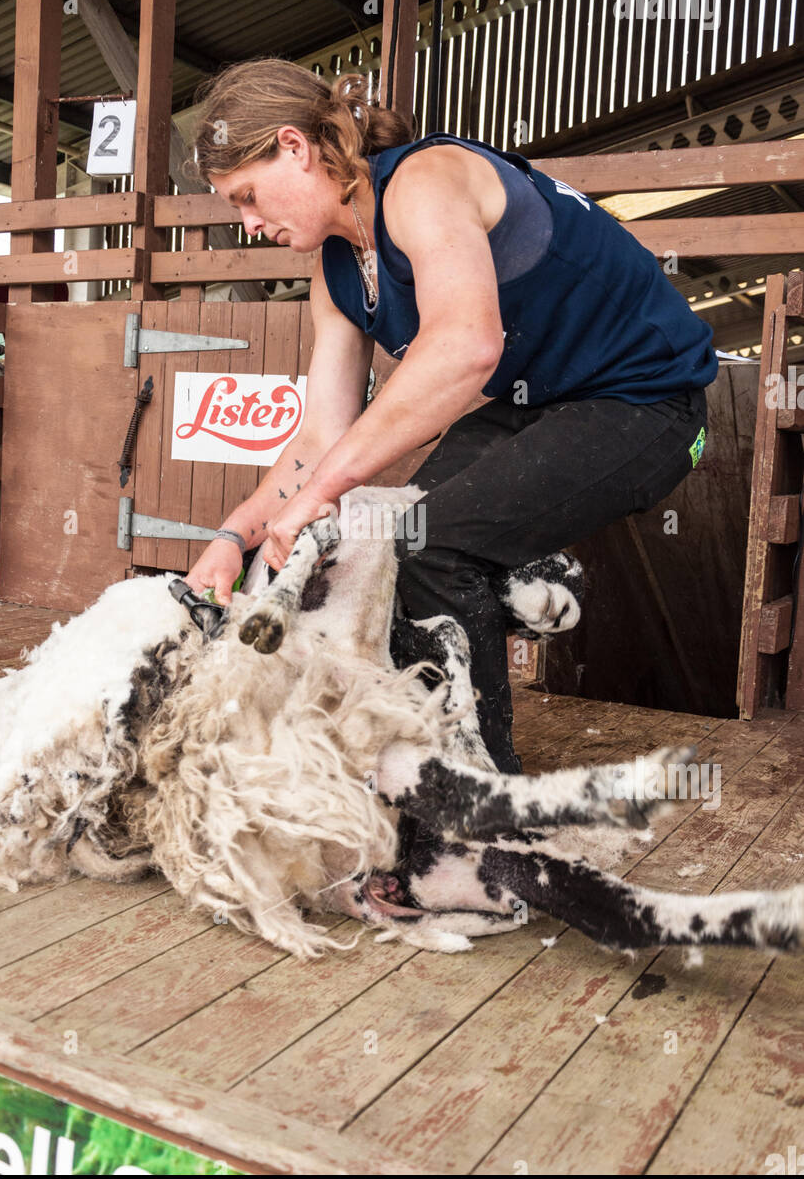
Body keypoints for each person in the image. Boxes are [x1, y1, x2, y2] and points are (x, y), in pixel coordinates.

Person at [184, 58, 717, 774]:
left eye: (247, 197)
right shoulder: (336, 272)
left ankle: (479, 803)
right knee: (391, 542)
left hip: (648, 404)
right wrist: (231, 536)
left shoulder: (425, 181)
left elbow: (465, 347)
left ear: (293, 146)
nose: (248, 225)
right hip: (539, 406)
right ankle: (515, 591)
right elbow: (319, 439)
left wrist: (320, 494)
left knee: (429, 545)